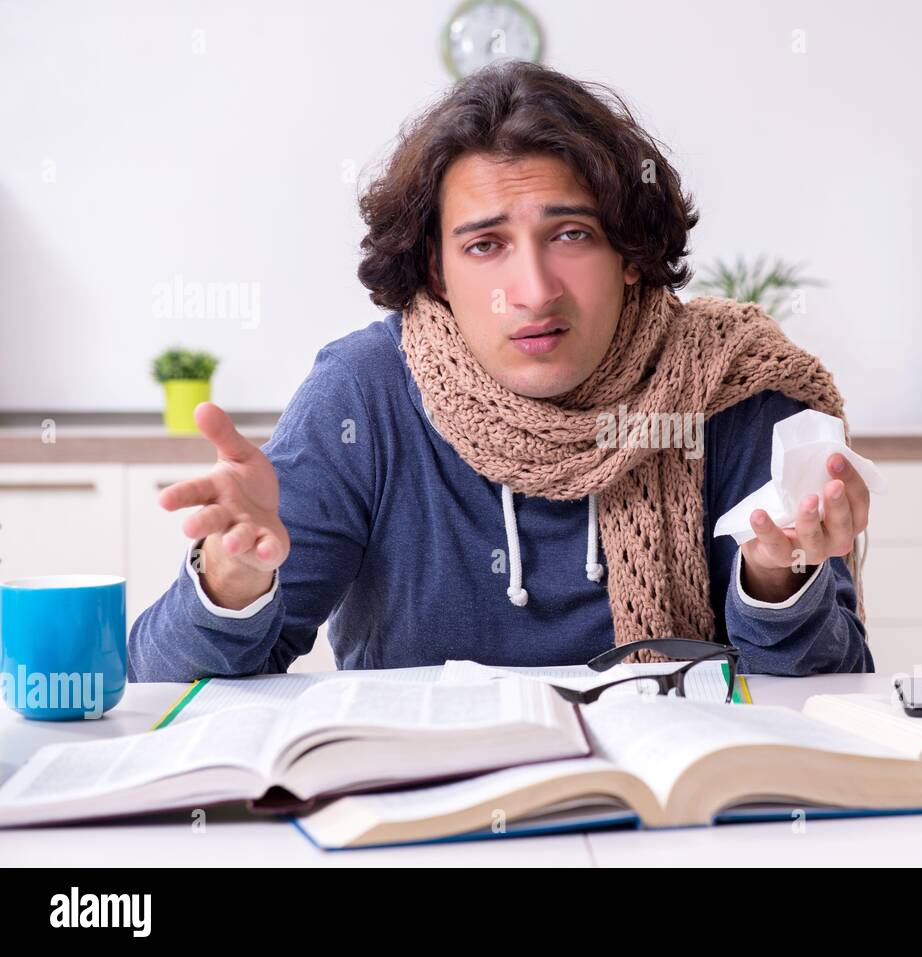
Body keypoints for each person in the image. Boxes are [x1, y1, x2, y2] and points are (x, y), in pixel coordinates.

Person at [127, 60, 873, 682]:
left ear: (631, 256)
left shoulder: (730, 388)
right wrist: (227, 580)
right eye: (486, 245)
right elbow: (160, 684)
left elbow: (828, 687)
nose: (536, 289)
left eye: (572, 234)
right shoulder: (364, 395)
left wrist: (778, 583)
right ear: (437, 270)